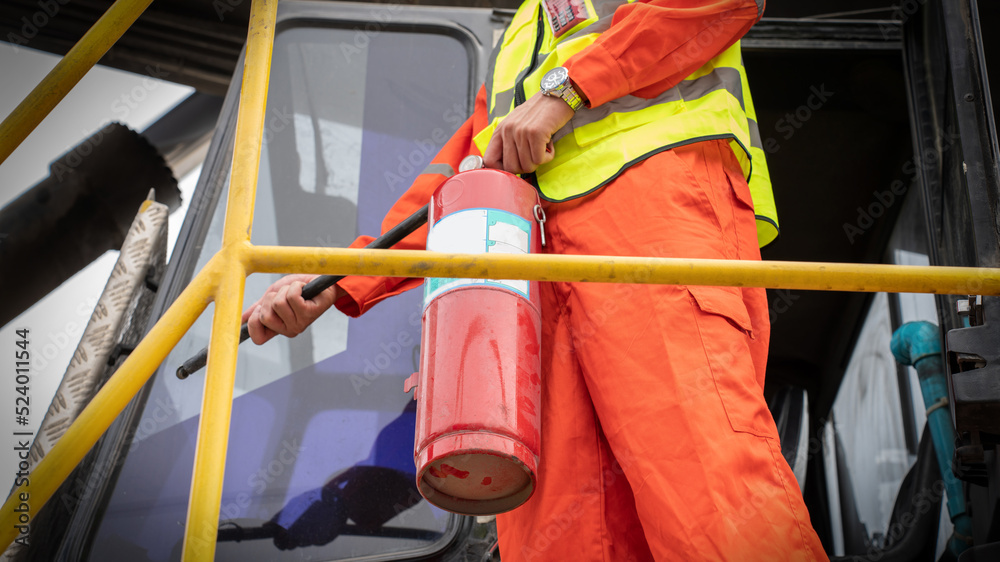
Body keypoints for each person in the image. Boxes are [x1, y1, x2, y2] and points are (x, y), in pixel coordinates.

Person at [242, 0, 829, 559]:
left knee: (704, 486)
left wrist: (566, 92)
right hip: (535, 273)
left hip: (651, 221)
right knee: (561, 531)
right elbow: (458, 179)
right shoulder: (518, 39)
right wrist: (341, 278)